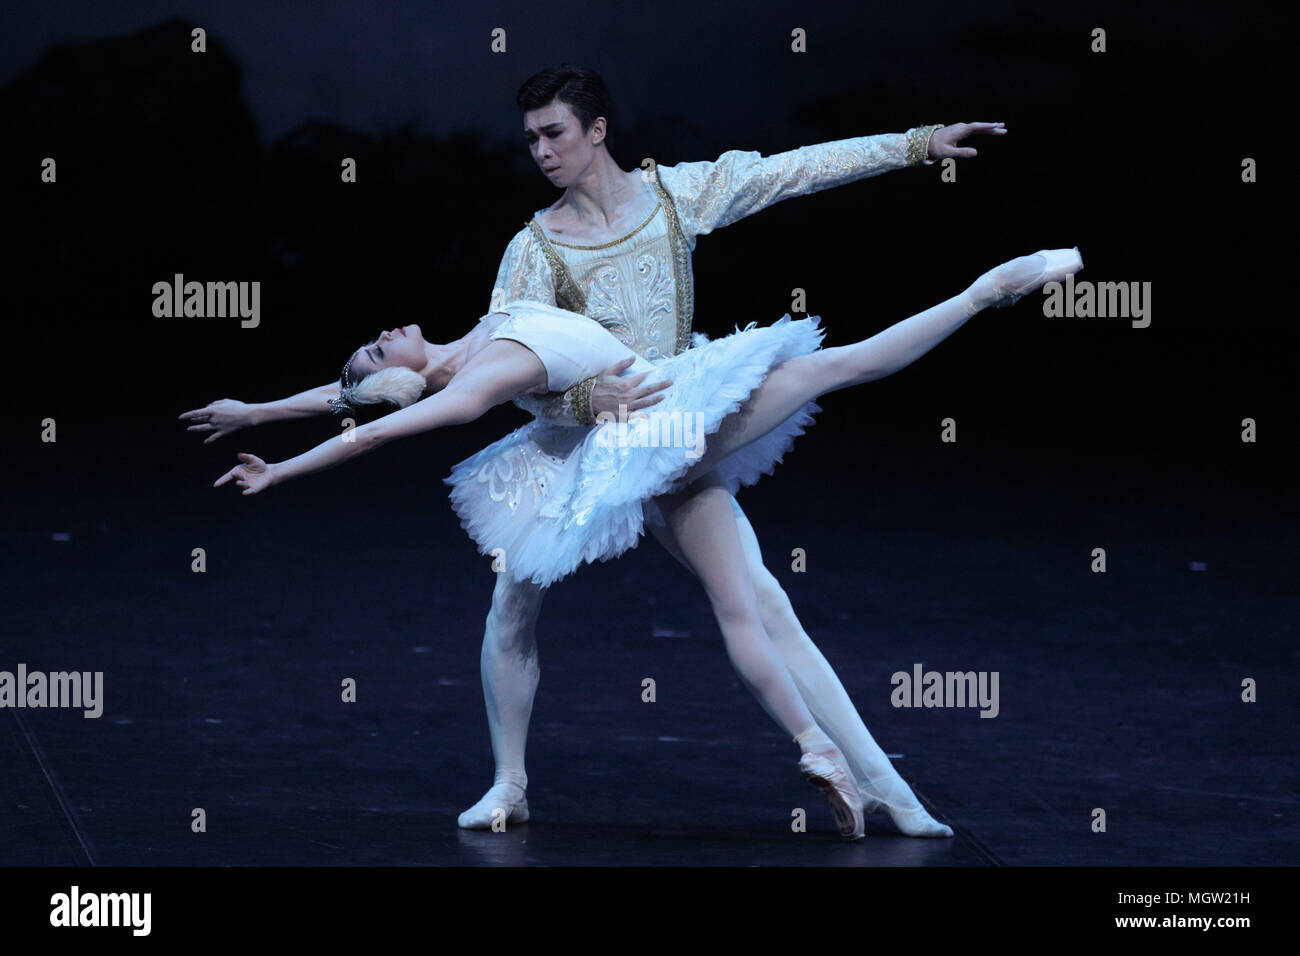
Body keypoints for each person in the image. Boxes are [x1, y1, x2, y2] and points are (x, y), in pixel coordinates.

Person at [209, 247, 1085, 839]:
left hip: (642, 428)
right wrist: (282, 471)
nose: (382, 329)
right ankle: (983, 292)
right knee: (830, 372)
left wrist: (259, 409)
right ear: (401, 372)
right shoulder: (478, 377)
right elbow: (376, 429)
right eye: (375, 346)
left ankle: (850, 769)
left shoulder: (475, 330)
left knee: (744, 598)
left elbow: (349, 399)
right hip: (654, 427)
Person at [462, 65, 1005, 838]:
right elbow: (499, 366)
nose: (541, 152)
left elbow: (795, 171)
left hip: (674, 433)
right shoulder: (534, 249)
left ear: (597, 130)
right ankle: (507, 785)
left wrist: (918, 145)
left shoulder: (675, 196)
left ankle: (889, 790)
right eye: (531, 139)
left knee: (763, 600)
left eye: (554, 133)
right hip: (581, 449)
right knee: (511, 605)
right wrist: (586, 400)